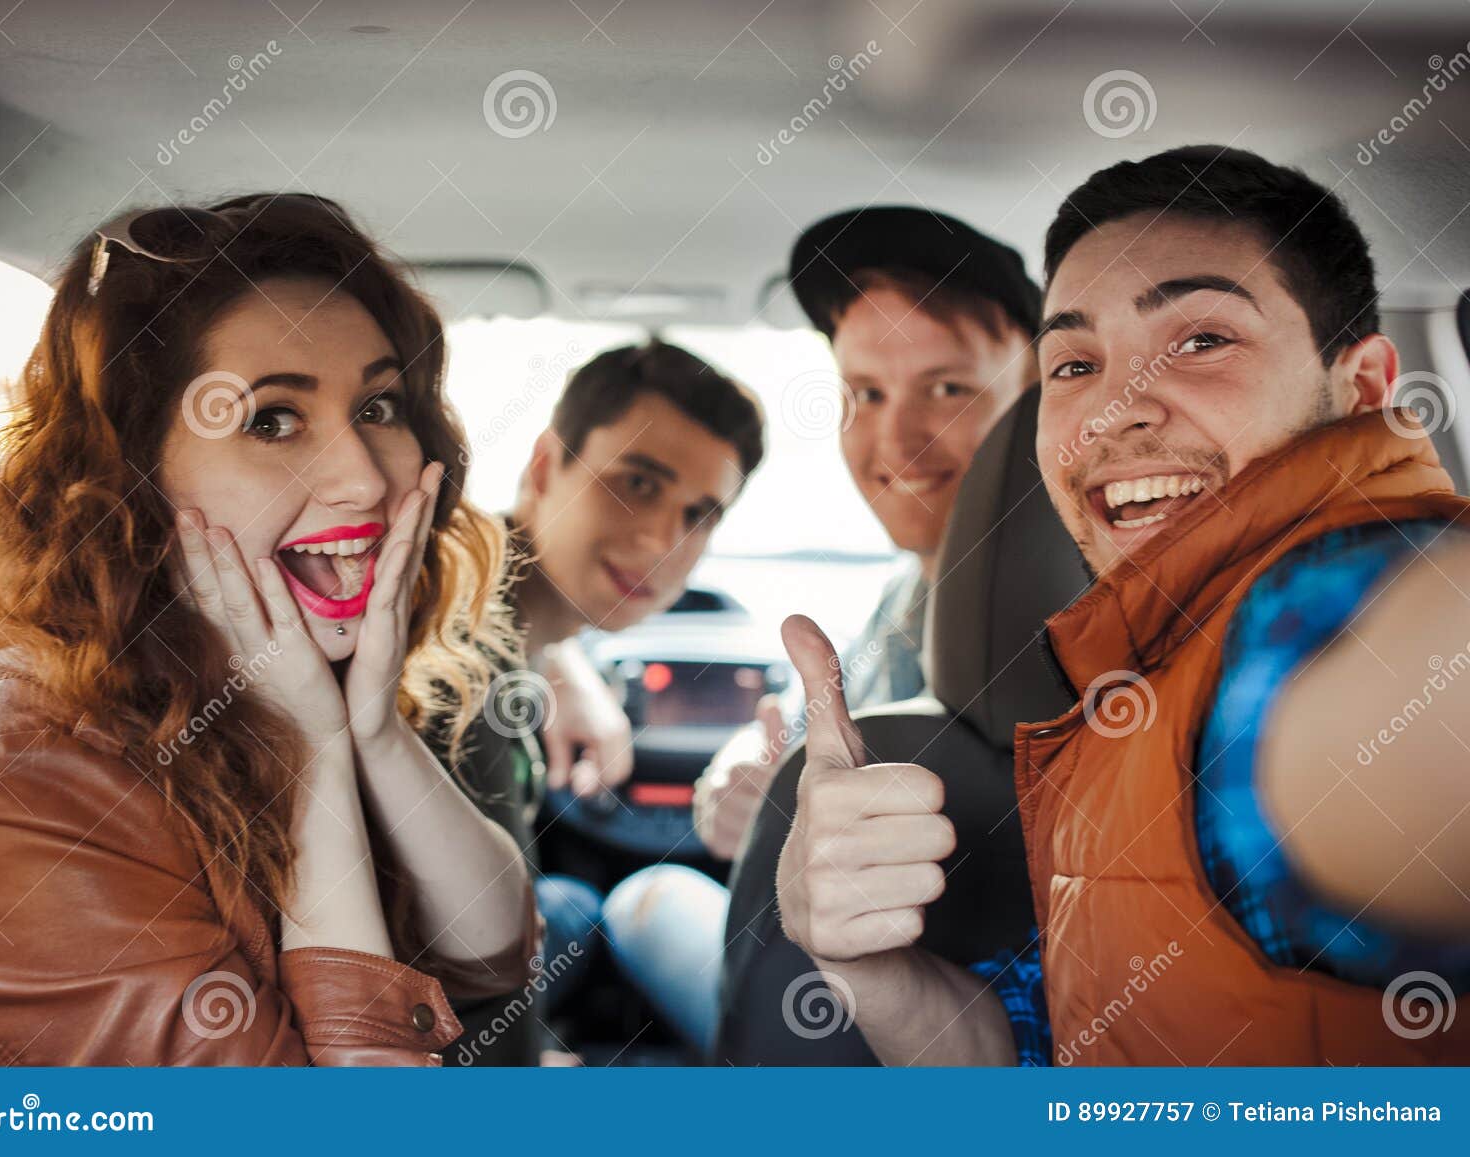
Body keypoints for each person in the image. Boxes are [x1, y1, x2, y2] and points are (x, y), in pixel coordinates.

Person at [775, 146, 1470, 1065]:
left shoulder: (1338, 623)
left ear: (1365, 386)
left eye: (1200, 341)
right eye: (1073, 364)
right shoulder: (1113, 695)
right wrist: (868, 969)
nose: (1113, 413)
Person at [0, 194, 537, 1065]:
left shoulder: (254, 677)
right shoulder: (9, 789)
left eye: (378, 408)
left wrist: (368, 731)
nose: (365, 481)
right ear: (131, 476)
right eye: (271, 420)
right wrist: (314, 754)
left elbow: (495, 952)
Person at [602, 207, 1039, 1057]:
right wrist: (760, 782)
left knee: (637, 900)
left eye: (949, 389)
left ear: (1038, 397)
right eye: (865, 393)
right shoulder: (902, 601)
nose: (897, 441)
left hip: (884, 1030)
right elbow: (816, 738)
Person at [439, 338, 765, 1061]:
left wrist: (563, 660)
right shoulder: (460, 673)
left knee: (576, 910)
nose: (660, 542)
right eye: (637, 484)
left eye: (699, 514)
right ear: (545, 465)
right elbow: (477, 969)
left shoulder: (502, 609)